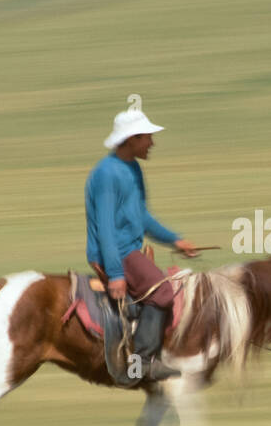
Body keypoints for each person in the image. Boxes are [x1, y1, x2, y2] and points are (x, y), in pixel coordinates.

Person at [85, 109, 199, 382]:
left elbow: (142, 217)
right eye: (147, 137)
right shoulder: (106, 174)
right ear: (132, 139)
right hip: (116, 251)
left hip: (127, 249)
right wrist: (115, 274)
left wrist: (175, 239)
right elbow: (106, 229)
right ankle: (143, 363)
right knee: (162, 293)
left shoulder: (132, 168)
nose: (152, 143)